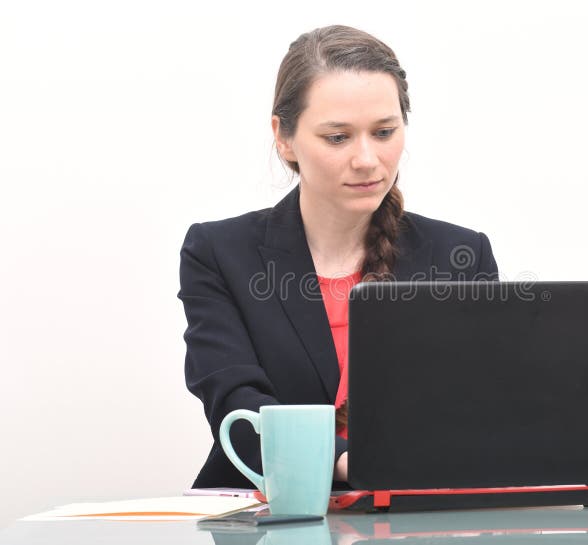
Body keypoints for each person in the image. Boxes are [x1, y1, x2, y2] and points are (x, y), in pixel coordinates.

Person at [178, 25, 499, 489]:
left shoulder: (460, 256)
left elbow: (484, 408)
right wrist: (351, 465)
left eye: (384, 132)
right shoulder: (219, 253)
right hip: (270, 513)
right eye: (337, 137)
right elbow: (239, 408)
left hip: (416, 519)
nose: (367, 159)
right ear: (284, 138)